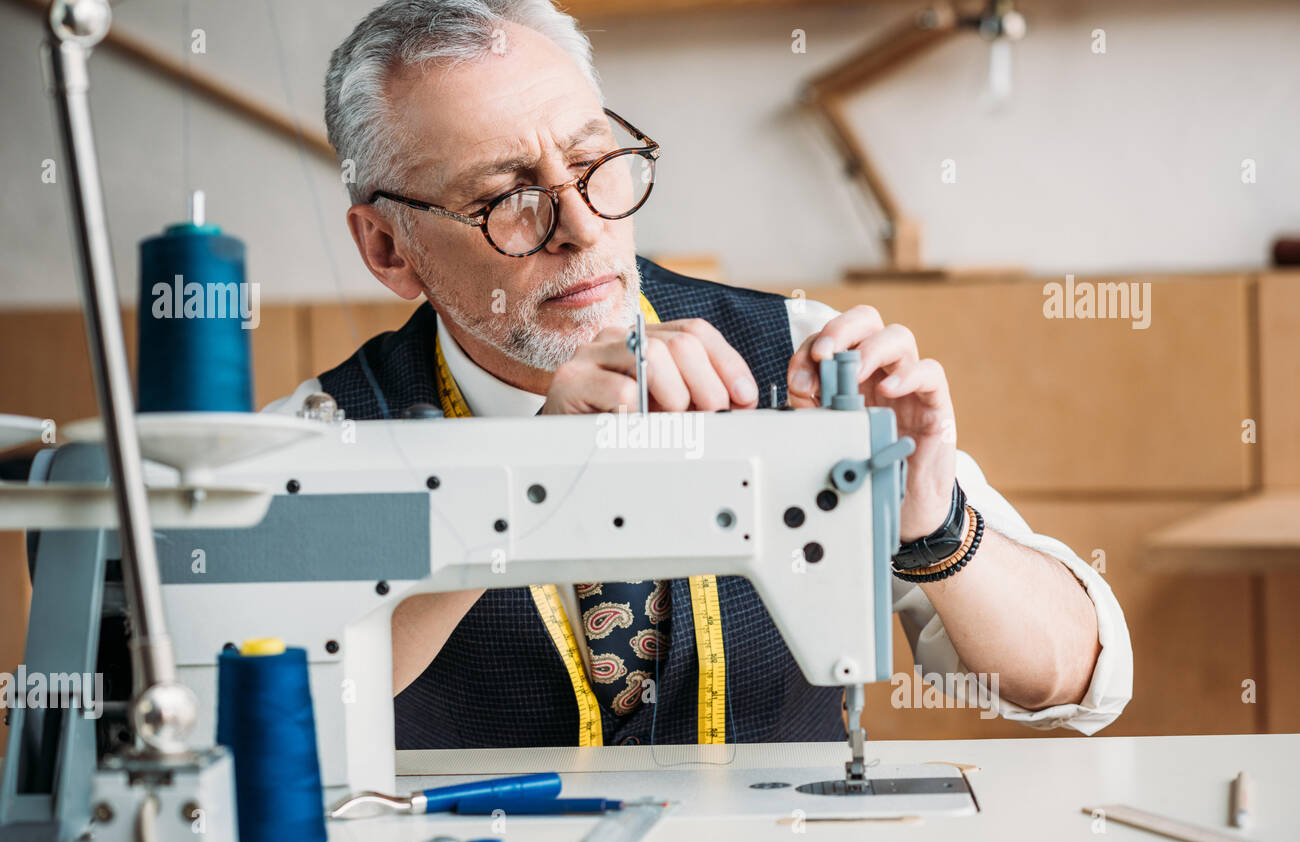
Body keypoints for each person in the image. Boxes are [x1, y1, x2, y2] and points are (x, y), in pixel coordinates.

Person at [265, 0, 1132, 748]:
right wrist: (527, 485)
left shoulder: (801, 352)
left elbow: (1075, 679)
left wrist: (935, 530)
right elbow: (262, 717)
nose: (582, 224)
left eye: (593, 161)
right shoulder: (325, 437)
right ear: (388, 247)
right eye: (507, 197)